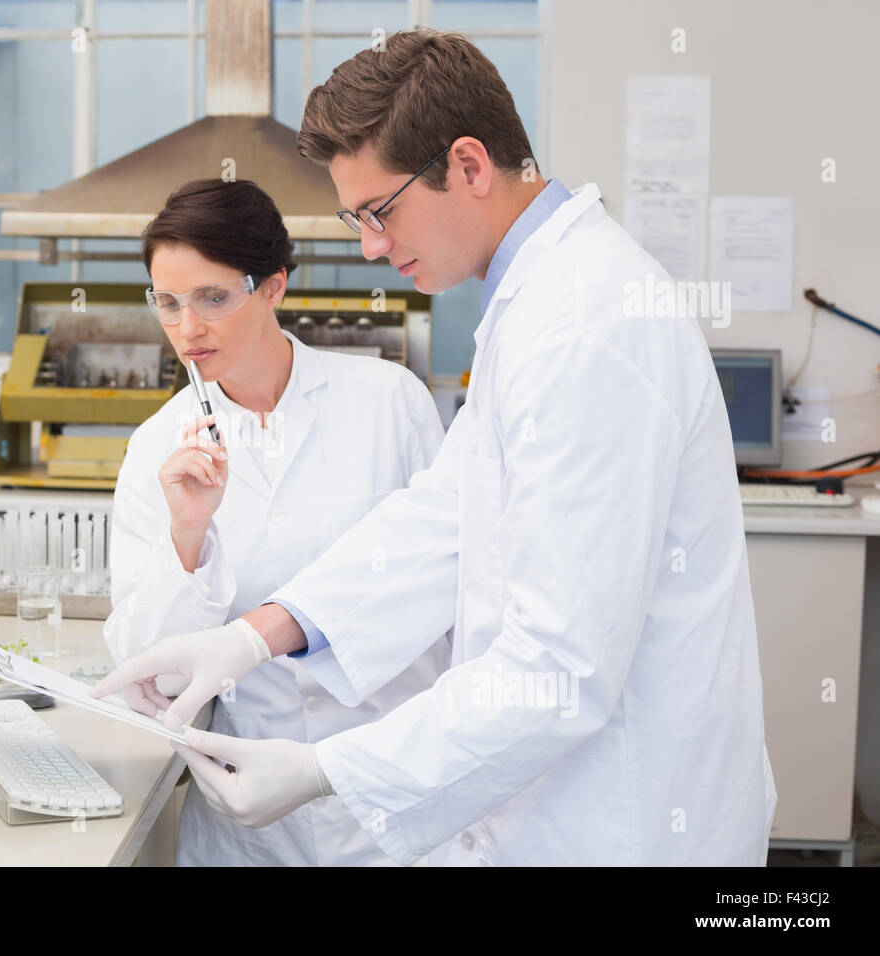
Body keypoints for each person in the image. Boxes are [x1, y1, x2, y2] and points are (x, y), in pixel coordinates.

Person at [95, 30, 778, 866]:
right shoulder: (533, 308)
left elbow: (559, 665)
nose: (370, 246)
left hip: (620, 823)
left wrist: (327, 768)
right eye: (356, 220)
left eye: (378, 211)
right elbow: (440, 519)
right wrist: (250, 639)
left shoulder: (583, 329)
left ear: (468, 164)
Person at [102, 178, 451, 866]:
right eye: (167, 303)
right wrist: (188, 538)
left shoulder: (388, 405)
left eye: (213, 298)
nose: (187, 329)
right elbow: (150, 679)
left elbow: (450, 593)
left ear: (273, 287)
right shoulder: (158, 446)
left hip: (391, 810)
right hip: (247, 826)